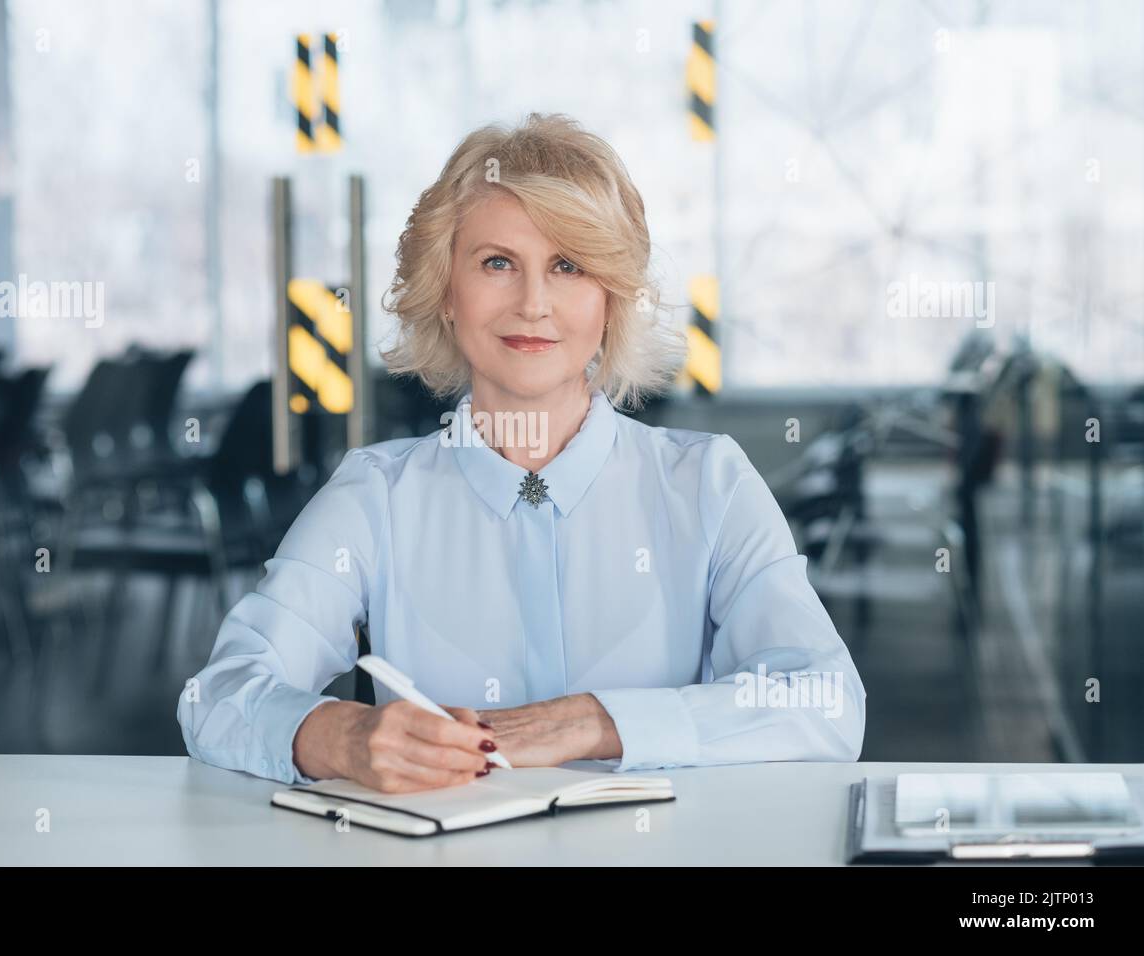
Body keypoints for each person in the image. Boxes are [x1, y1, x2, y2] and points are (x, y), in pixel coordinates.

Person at [177, 112, 866, 793]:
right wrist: (341, 737)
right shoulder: (374, 495)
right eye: (497, 263)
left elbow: (827, 703)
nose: (534, 303)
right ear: (447, 293)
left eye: (567, 265)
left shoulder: (709, 483)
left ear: (610, 300)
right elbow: (218, 697)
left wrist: (596, 722)